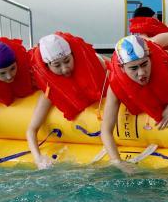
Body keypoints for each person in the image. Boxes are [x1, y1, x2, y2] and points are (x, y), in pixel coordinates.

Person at [101, 35, 168, 168]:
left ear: (150, 58)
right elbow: (105, 131)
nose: (141, 73)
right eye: (133, 68)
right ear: (122, 68)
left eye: (144, 64)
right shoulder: (116, 85)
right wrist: (118, 162)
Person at [26, 33, 109, 169]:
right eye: (57, 65)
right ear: (47, 67)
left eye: (67, 61)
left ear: (73, 55)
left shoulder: (96, 64)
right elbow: (31, 130)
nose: (64, 68)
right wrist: (38, 157)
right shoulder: (50, 90)